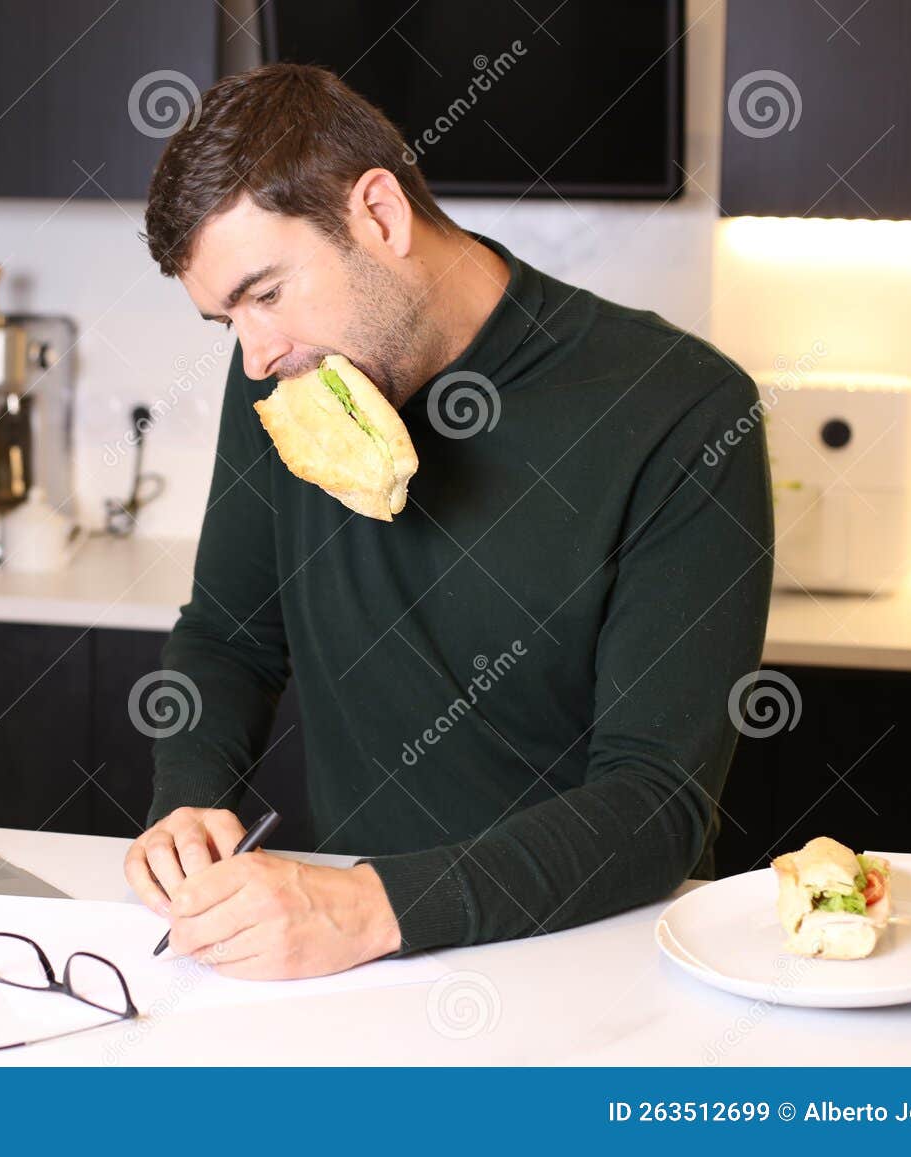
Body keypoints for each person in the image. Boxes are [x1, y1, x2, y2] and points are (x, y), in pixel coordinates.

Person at [123, 63, 773, 979]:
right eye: (225, 317)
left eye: (265, 293)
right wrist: (188, 803)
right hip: (359, 964)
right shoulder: (286, 374)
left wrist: (370, 906)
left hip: (593, 962)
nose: (255, 352)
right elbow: (230, 637)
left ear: (380, 215)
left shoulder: (683, 410)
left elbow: (655, 802)